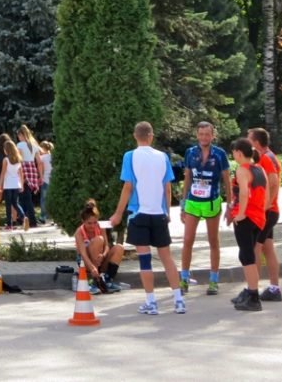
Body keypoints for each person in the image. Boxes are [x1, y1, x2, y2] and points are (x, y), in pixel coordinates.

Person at [108, 121, 187, 316]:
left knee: (145, 260)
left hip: (139, 214)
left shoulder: (130, 156)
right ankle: (178, 300)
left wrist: (118, 213)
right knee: (167, 258)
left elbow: (128, 187)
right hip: (158, 214)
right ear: (151, 136)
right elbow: (167, 187)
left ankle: (151, 303)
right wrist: (167, 212)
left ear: (135, 136)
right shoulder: (162, 157)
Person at [179, 121, 232, 295]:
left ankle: (214, 280)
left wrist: (230, 205)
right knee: (187, 240)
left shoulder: (220, 154)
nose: (204, 137)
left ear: (212, 135)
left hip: (212, 202)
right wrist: (182, 203)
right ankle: (184, 279)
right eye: (201, 134)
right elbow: (187, 178)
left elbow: (227, 180)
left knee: (213, 241)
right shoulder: (190, 152)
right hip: (193, 202)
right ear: (197, 135)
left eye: (207, 134)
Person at [224, 138, 268, 311]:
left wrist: (240, 214)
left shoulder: (243, 170)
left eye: (233, 152)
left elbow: (243, 193)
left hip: (247, 217)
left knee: (247, 256)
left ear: (239, 153)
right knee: (248, 254)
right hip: (258, 217)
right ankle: (250, 291)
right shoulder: (259, 168)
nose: (233, 155)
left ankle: (254, 296)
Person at [248, 127, 282, 302]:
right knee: (268, 249)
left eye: (249, 139)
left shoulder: (267, 158)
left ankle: (251, 290)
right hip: (268, 211)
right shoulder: (264, 157)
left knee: (256, 247)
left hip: (267, 212)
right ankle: (274, 288)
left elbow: (274, 183)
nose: (247, 142)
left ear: (255, 142)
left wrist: (265, 206)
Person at [74, 200, 124, 293]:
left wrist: (104, 255)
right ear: (83, 221)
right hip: (86, 263)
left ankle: (107, 280)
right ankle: (93, 281)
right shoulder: (79, 232)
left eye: (95, 222)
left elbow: (107, 246)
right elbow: (83, 254)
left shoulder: (101, 227)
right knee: (98, 240)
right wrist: (92, 267)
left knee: (119, 248)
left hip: (100, 261)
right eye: (89, 223)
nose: (93, 226)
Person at [15, 125, 43, 228]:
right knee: (26, 197)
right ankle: (23, 219)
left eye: (18, 135)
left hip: (24, 169)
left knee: (25, 198)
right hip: (32, 170)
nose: (18, 137)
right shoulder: (35, 145)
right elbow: (39, 162)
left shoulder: (20, 145)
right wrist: (41, 176)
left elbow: (19, 160)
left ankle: (32, 220)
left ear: (21, 134)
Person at [0, 140, 24, 230]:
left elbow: (3, 173)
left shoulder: (6, 160)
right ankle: (24, 216)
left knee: (8, 205)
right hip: (16, 184)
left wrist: (0, 185)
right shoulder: (18, 159)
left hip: (8, 185)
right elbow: (21, 174)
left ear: (6, 150)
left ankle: (9, 224)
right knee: (15, 203)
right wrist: (21, 185)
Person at [38, 141, 54, 223]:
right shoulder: (53, 156)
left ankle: (43, 217)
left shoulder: (42, 158)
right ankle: (53, 217)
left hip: (45, 179)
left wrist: (40, 177)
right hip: (53, 180)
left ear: (43, 148)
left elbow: (41, 168)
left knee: (44, 199)